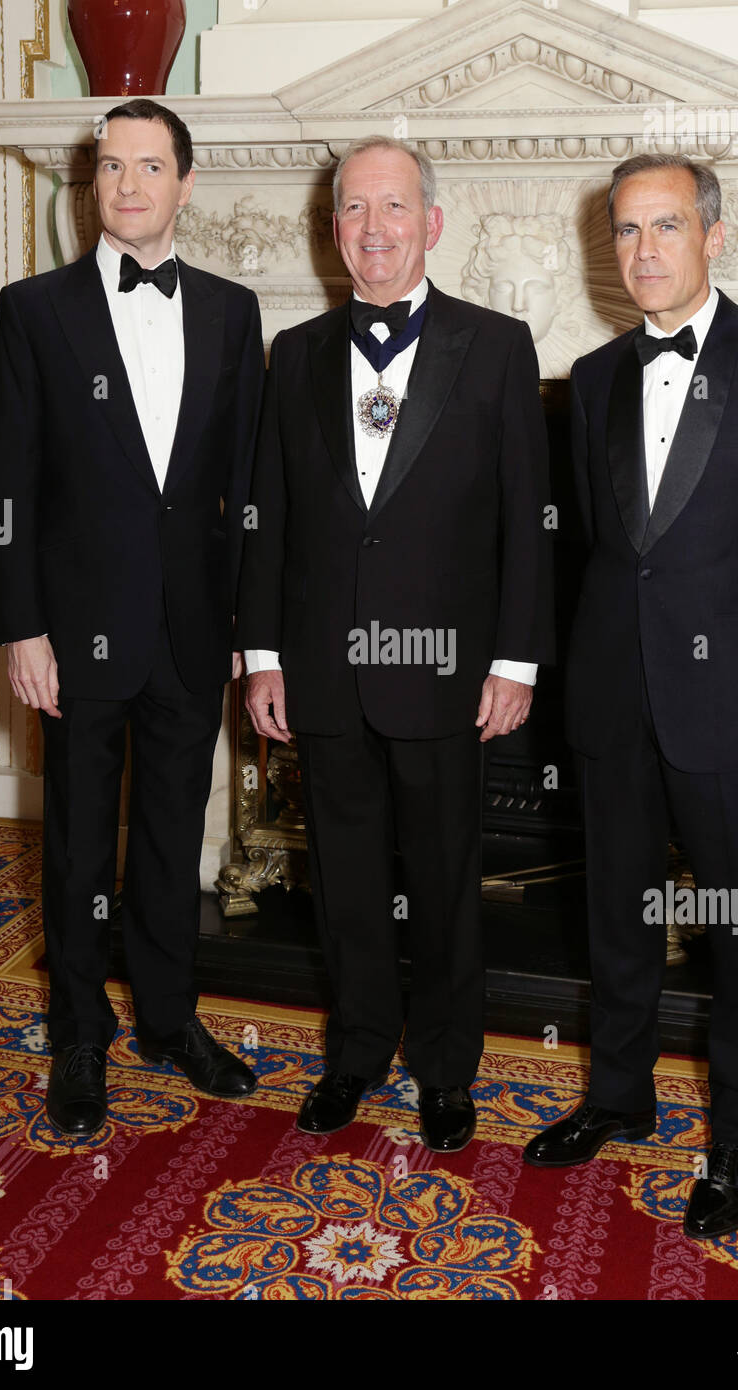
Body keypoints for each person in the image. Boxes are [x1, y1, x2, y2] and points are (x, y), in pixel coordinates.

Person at [523, 153, 738, 1240]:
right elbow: (601, 550)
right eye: (624, 231)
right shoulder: (593, 375)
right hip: (614, 699)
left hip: (733, 706)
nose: (643, 250)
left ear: (713, 236)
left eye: (664, 226)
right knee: (613, 912)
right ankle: (615, 1096)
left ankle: (736, 1146)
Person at [237, 136, 552, 1152]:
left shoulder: (497, 347)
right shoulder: (296, 353)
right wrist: (260, 655)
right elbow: (270, 515)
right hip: (323, 672)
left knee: (449, 878)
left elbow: (525, 519)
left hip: (445, 676)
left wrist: (514, 660)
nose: (373, 229)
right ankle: (357, 1052)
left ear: (431, 223)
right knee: (345, 877)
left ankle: (447, 1067)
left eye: (392, 208)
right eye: (353, 211)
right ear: (333, 230)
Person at [0, 98, 265, 1136]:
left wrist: (248, 622)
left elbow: (243, 485)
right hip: (75, 633)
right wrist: (22, 629)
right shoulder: (34, 309)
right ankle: (76, 1035)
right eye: (112, 167)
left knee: (170, 832)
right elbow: (7, 485)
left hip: (192, 632)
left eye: (150, 166)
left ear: (185, 183)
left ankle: (167, 1017)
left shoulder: (235, 313)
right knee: (75, 842)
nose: (130, 184)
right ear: (92, 183)